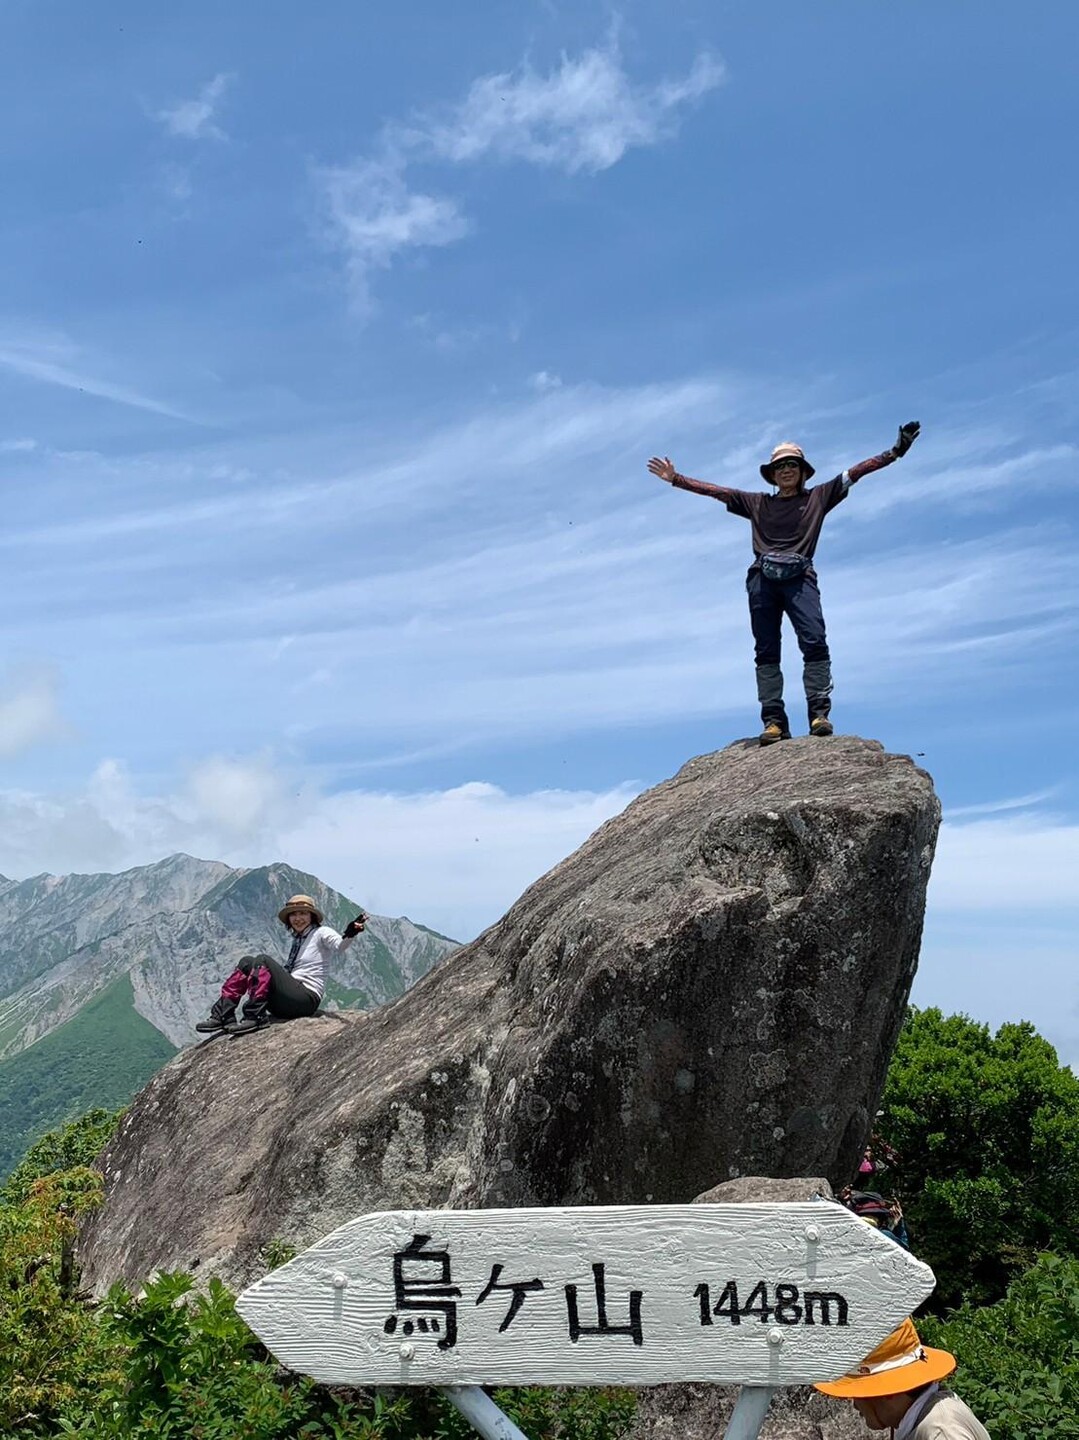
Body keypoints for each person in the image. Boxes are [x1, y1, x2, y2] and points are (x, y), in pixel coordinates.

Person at [647, 422, 921, 745]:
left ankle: (819, 713)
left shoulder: (820, 497)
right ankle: (774, 720)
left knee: (815, 640)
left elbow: (856, 473)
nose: (786, 470)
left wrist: (896, 452)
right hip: (763, 581)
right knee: (766, 651)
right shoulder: (758, 503)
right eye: (780, 466)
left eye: (792, 464)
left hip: (800, 578)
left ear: (803, 471)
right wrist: (676, 479)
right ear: (772, 474)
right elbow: (718, 491)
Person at [195, 893, 366, 1035]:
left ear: (312, 916)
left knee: (262, 959)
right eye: (293, 914)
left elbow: (339, 946)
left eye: (303, 913)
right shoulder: (298, 939)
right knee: (247, 962)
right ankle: (223, 1015)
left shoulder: (321, 933)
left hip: (305, 999)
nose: (298, 918)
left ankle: (255, 1017)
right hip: (287, 1001)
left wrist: (351, 932)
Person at [814, 1316, 990, 1437]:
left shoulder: (940, 1432)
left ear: (887, 1391)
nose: (854, 1404)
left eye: (858, 1391)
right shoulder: (924, 1420)